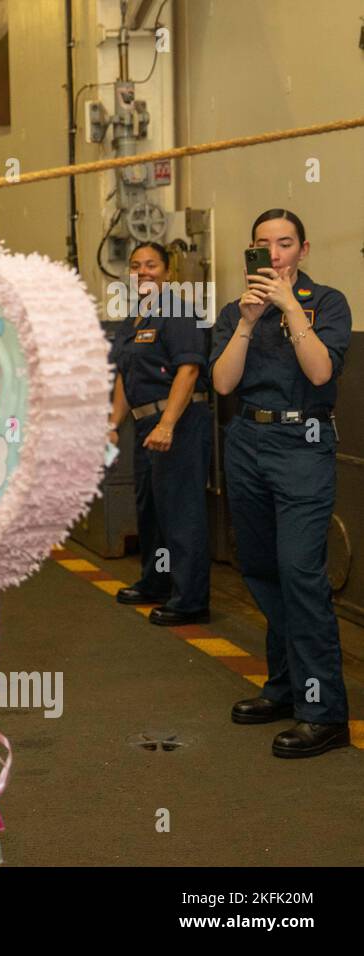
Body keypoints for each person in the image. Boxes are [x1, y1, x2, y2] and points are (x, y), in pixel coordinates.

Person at [210, 209, 352, 758]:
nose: (274, 254)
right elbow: (223, 382)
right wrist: (247, 322)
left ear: (303, 250)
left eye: (285, 243)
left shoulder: (328, 302)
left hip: (302, 443)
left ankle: (323, 711)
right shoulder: (235, 311)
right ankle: (287, 686)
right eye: (263, 244)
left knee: (299, 572)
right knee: (262, 567)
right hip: (247, 439)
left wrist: (291, 306)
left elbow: (320, 372)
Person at [107, 241, 213, 626]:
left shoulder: (179, 312)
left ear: (168, 271)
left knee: (181, 510)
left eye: (151, 264)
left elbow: (189, 370)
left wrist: (168, 423)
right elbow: (124, 374)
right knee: (150, 508)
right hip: (144, 423)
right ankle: (157, 581)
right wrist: (112, 424)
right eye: (136, 266)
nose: (143, 271)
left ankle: (190, 600)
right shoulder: (136, 318)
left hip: (179, 422)